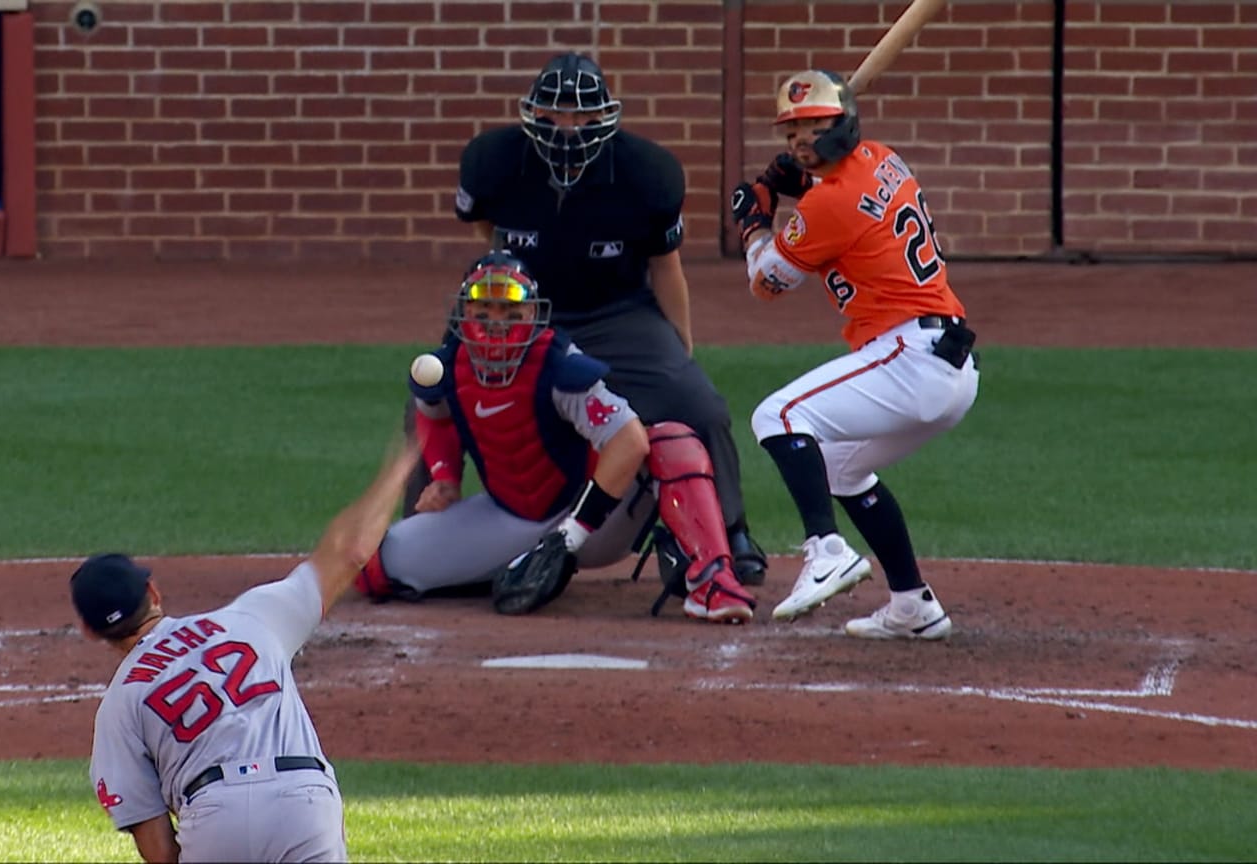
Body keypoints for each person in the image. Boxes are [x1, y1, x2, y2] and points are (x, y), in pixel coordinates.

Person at [418, 50, 770, 587]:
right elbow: (488, 230)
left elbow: (665, 265)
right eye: (556, 113)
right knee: (432, 387)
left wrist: (679, 347)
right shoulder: (491, 160)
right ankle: (426, 520)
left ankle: (731, 530)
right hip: (517, 306)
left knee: (699, 404)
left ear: (605, 116)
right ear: (533, 113)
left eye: (582, 115)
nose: (568, 127)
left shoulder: (648, 173)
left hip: (616, 310)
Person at [357, 250, 757, 623]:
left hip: (592, 521)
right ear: (465, 312)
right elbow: (435, 418)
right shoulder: (444, 368)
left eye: (510, 311)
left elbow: (629, 441)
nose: (496, 323)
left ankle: (713, 581)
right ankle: (506, 566)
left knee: (672, 440)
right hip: (508, 516)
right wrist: (445, 478)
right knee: (375, 569)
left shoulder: (561, 365)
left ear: (532, 314)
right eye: (485, 310)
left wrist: (569, 536)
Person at [69, 435, 419, 862]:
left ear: (89, 630)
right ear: (152, 592)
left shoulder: (118, 707)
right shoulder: (251, 617)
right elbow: (351, 551)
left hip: (214, 814)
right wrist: (402, 466)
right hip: (301, 801)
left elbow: (158, 849)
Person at [730, 69, 980, 640]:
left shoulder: (828, 204)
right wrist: (802, 182)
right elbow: (846, 199)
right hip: (949, 365)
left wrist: (753, 223)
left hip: (909, 356)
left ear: (842, 123)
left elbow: (767, 282)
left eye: (814, 126)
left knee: (778, 416)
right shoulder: (883, 158)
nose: (800, 139)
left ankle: (827, 551)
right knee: (842, 468)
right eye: (792, 131)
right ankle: (913, 605)